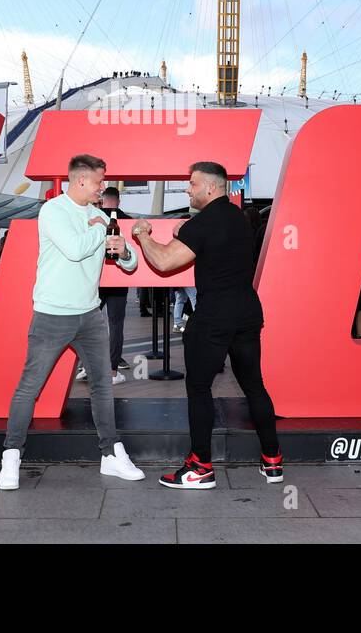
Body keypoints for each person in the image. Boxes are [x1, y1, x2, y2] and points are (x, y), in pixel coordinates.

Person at [0, 154, 145, 490]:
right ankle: (11, 456)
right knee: (28, 389)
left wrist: (122, 251)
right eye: (98, 182)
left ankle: (111, 455)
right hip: (52, 315)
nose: (102, 188)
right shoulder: (53, 210)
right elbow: (75, 249)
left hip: (91, 315)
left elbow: (130, 264)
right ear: (80, 181)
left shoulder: (99, 215)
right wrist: (100, 233)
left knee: (102, 386)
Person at [132, 161, 283, 489]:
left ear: (211, 188)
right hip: (246, 312)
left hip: (214, 315)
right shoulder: (240, 219)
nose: (188, 188)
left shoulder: (201, 225)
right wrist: (183, 231)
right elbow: (213, 247)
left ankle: (200, 467)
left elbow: (163, 262)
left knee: (199, 389)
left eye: (192, 184)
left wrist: (142, 235)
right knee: (254, 386)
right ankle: (272, 461)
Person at [82, 187, 129, 384]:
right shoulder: (127, 219)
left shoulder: (94, 219)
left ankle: (86, 366)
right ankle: (112, 371)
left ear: (104, 200)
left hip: (97, 279)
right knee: (116, 325)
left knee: (87, 323)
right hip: (119, 281)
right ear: (118, 200)